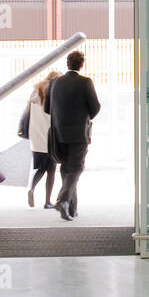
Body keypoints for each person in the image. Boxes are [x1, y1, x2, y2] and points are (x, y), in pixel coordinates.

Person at [44, 49, 101, 221]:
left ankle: (71, 208)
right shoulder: (85, 82)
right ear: (81, 65)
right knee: (76, 168)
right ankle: (62, 200)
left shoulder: (54, 83)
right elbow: (96, 107)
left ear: (67, 64)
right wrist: (83, 116)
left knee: (66, 169)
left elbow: (47, 108)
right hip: (78, 134)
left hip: (58, 133)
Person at [25, 70, 60, 210]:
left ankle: (31, 189)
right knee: (51, 170)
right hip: (50, 137)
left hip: (36, 137)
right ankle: (47, 201)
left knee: (41, 167)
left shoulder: (35, 92)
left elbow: (27, 114)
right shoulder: (54, 93)